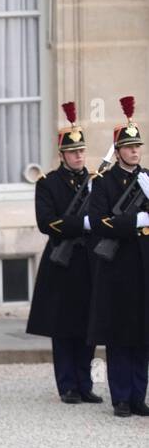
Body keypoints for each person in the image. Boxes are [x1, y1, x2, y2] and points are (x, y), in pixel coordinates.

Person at [25, 101, 102, 405]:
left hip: (89, 260)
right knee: (63, 325)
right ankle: (67, 385)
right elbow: (47, 223)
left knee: (88, 325)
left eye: (81, 151)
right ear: (62, 155)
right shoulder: (49, 184)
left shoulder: (97, 182)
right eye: (73, 152)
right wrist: (79, 223)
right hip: (62, 260)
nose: (78, 156)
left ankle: (85, 383)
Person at [86, 95, 149, 417]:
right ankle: (121, 397)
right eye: (128, 146)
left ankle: (139, 395)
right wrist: (132, 222)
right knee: (120, 336)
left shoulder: (148, 179)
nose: (135, 151)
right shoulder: (106, 183)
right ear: (118, 149)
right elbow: (97, 221)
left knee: (143, 336)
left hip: (144, 267)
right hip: (118, 267)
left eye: (137, 146)